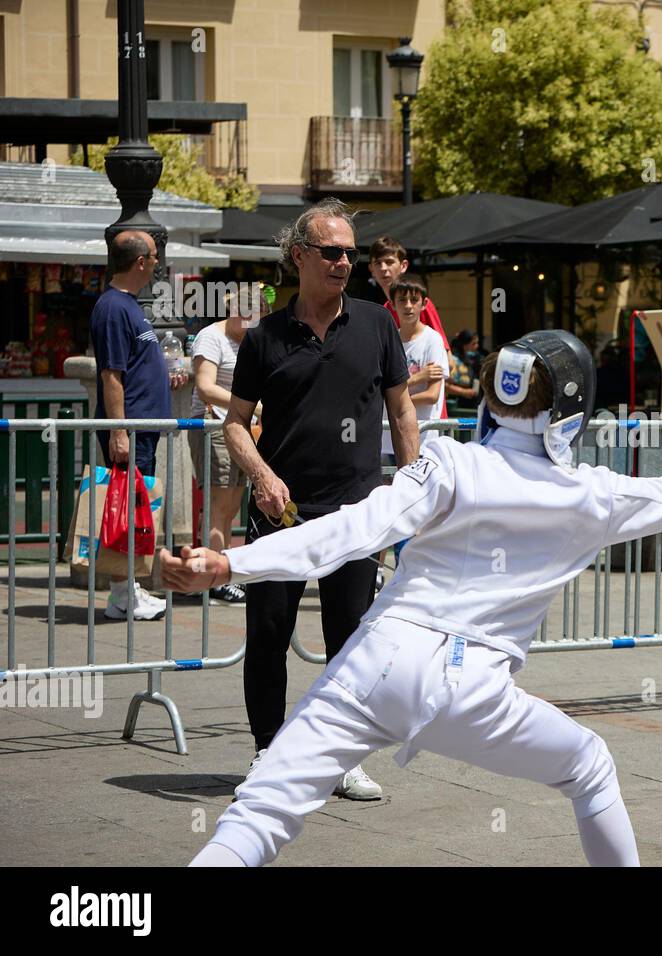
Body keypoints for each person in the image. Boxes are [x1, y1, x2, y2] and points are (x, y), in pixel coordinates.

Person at [163, 329, 662, 866]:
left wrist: (231, 566)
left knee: (255, 819)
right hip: (466, 687)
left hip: (371, 663)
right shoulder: (590, 494)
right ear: (570, 409)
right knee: (588, 765)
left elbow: (351, 531)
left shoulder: (449, 462)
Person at [223, 198, 420, 801]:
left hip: (355, 513)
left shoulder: (377, 323)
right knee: (269, 634)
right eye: (331, 252)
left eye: (350, 254)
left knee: (350, 641)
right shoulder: (264, 338)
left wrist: (414, 488)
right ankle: (267, 753)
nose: (343, 263)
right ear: (299, 257)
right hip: (280, 515)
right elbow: (235, 423)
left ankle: (339, 758)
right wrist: (259, 472)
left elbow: (402, 408)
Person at [91, 230, 188, 621]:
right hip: (130, 430)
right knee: (126, 510)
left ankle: (125, 589)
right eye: (154, 255)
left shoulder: (127, 305)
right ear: (141, 262)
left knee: (132, 510)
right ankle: (122, 592)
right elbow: (111, 376)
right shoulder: (114, 307)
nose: (158, 262)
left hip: (139, 427)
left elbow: (130, 368)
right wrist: (118, 430)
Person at [188, 288, 263, 605]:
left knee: (231, 506)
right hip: (213, 425)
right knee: (219, 505)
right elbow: (205, 387)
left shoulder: (251, 339)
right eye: (244, 312)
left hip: (240, 427)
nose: (249, 319)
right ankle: (211, 577)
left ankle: (219, 571)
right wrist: (254, 407)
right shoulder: (211, 336)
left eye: (256, 313)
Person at [382, 275, 448, 463]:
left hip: (423, 440)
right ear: (392, 304)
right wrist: (418, 378)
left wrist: (394, 400)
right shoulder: (389, 339)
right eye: (402, 300)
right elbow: (380, 390)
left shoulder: (433, 340)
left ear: (424, 303)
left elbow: (432, 395)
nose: (408, 305)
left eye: (414, 300)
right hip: (389, 439)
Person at [367, 236, 450, 353]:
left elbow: (447, 358)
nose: (383, 268)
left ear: (403, 266)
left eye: (389, 262)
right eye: (378, 263)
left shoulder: (419, 304)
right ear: (371, 269)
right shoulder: (385, 309)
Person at [446, 329, 482, 416]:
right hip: (455, 406)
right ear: (464, 345)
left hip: (469, 404)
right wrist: (464, 392)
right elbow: (446, 385)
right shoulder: (453, 360)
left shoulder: (471, 359)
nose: (477, 346)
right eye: (473, 343)